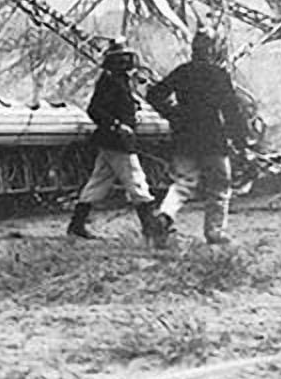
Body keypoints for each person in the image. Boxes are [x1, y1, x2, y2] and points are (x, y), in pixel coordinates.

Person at [145, 29, 249, 246]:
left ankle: (165, 215)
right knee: (220, 186)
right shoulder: (218, 74)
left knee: (183, 183)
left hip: (184, 136)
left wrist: (173, 114)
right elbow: (231, 110)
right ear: (211, 49)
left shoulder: (182, 71)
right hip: (212, 136)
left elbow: (154, 94)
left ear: (193, 49)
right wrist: (239, 139)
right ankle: (214, 232)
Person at [65, 40, 159, 242]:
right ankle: (151, 229)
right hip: (117, 141)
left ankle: (76, 225)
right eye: (122, 58)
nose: (127, 61)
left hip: (112, 140)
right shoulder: (110, 81)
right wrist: (118, 125)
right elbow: (94, 110)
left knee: (97, 183)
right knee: (136, 182)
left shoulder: (118, 80)